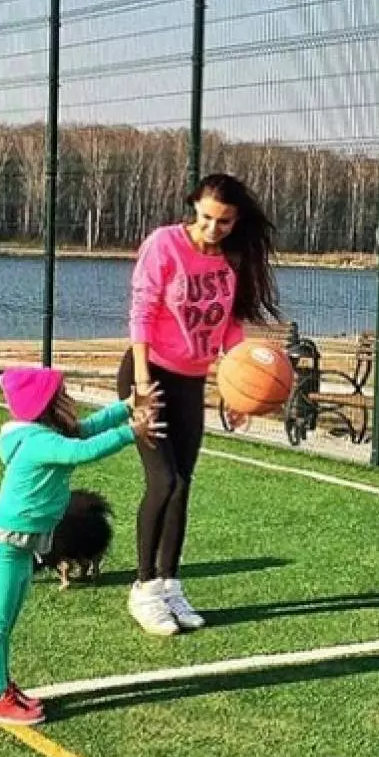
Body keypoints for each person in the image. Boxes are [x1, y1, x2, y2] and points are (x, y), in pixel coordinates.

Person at [120, 172, 281, 636]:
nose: (213, 229)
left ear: (237, 221)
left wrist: (237, 384)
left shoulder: (233, 259)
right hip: (148, 375)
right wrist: (143, 388)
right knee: (163, 480)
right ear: (194, 207)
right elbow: (142, 313)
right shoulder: (164, 244)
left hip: (192, 381)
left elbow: (230, 327)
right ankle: (143, 588)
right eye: (207, 218)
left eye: (224, 222)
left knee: (183, 484)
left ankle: (170, 584)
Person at [0, 366, 161, 726]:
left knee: (4, 624)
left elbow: (85, 431)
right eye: (64, 395)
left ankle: (0, 688)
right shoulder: (38, 442)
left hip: (17, 551)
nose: (71, 400)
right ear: (46, 406)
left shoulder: (42, 434)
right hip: (2, 552)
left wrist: (126, 406)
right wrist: (131, 432)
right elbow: (83, 450)